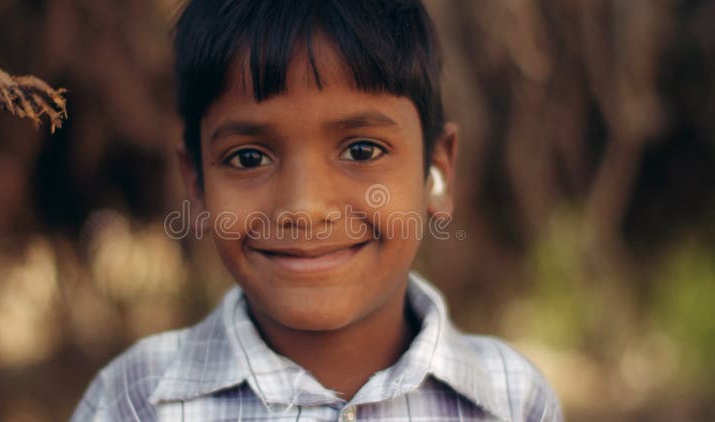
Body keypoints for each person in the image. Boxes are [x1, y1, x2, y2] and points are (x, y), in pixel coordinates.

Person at [71, 0, 563, 420]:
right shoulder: (134, 401)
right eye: (249, 158)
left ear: (436, 172)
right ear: (197, 184)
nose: (304, 208)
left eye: (362, 150)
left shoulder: (509, 400)